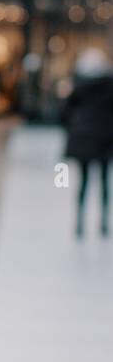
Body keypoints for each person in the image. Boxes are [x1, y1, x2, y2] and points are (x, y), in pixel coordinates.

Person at [61, 48, 113, 238]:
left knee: (83, 181)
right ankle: (104, 222)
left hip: (83, 138)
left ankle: (80, 221)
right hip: (105, 137)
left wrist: (72, 129)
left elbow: (65, 113)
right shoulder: (109, 85)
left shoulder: (78, 86)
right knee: (104, 181)